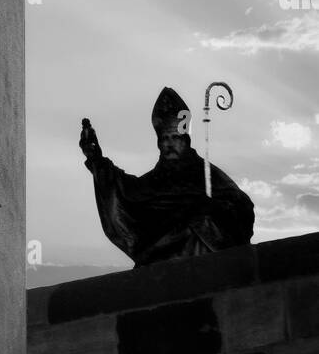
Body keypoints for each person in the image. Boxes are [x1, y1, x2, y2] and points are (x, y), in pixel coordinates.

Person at [79, 87, 254, 267]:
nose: (169, 143)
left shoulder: (206, 174)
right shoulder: (154, 181)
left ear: (185, 140)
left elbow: (240, 205)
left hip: (203, 263)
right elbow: (127, 191)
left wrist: (207, 210)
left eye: (174, 137)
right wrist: (96, 160)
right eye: (165, 138)